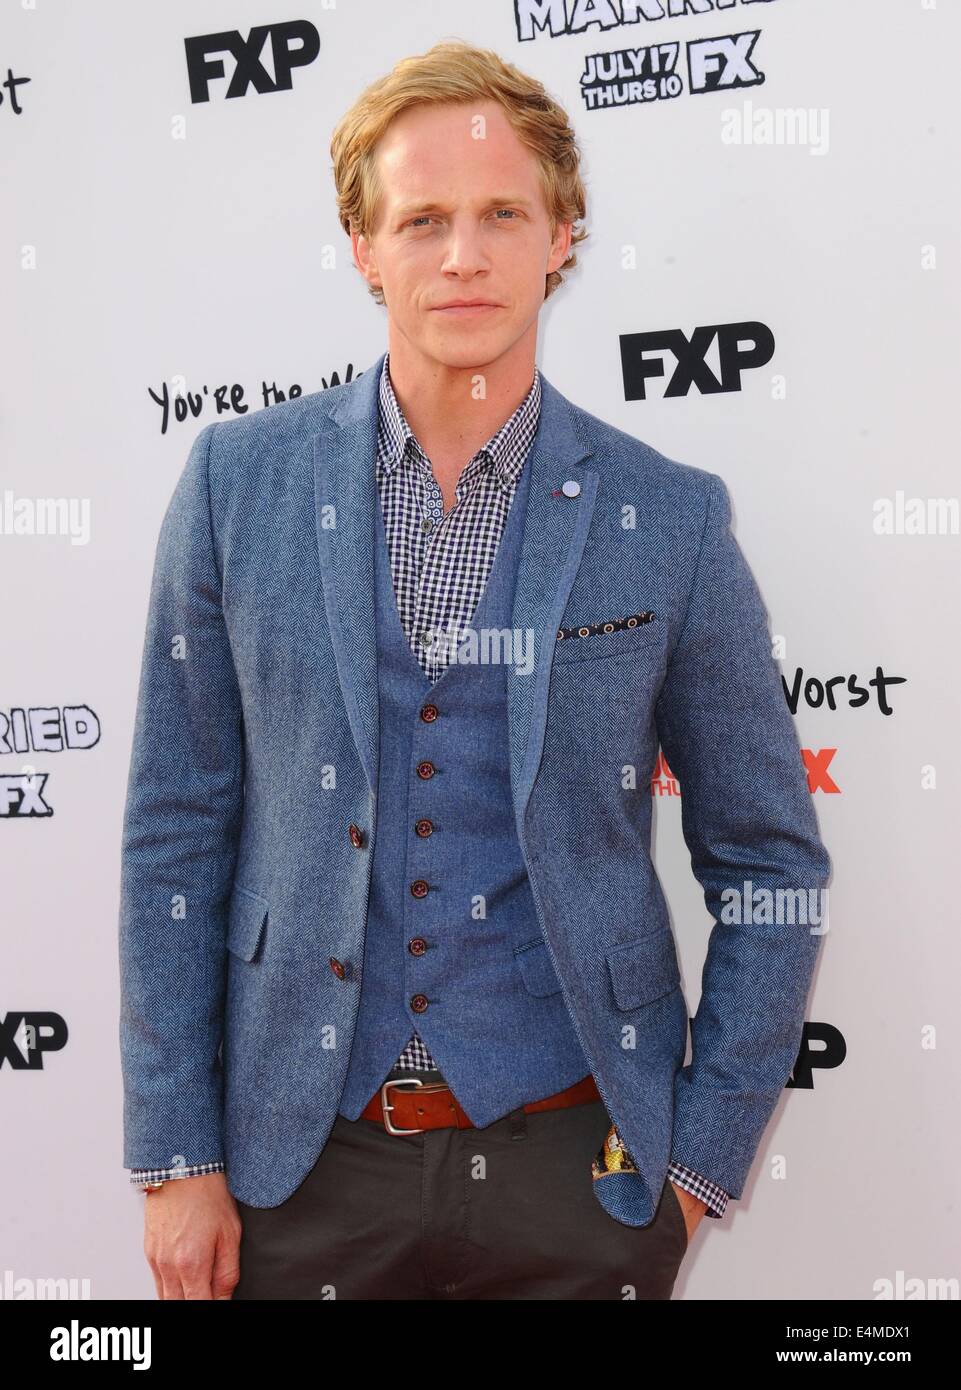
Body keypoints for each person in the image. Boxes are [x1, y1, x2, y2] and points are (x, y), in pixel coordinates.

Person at [119, 39, 831, 1300]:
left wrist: (693, 1170)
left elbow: (769, 862)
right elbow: (176, 832)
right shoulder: (238, 485)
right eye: (423, 218)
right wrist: (177, 1156)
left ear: (562, 236)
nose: (463, 255)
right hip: (298, 1170)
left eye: (503, 213)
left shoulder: (665, 518)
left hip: (581, 1168)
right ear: (362, 245)